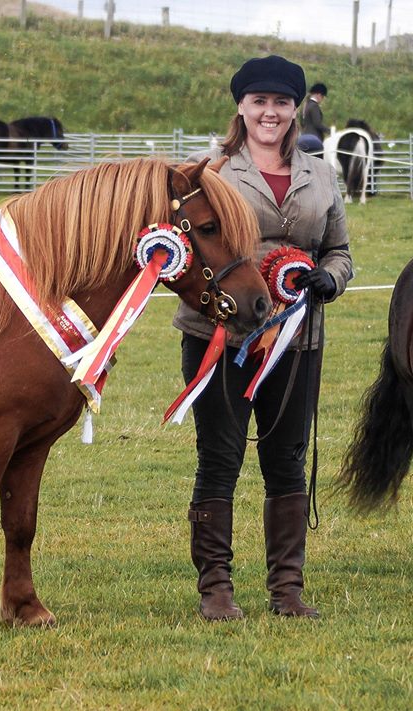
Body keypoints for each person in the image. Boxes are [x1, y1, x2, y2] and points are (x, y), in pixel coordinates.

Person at [174, 55, 353, 621]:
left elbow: (340, 251)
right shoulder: (214, 173)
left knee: (287, 460)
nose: (270, 112)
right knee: (219, 458)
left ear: (295, 108)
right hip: (221, 338)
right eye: (259, 102)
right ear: (241, 108)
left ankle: (287, 589)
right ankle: (217, 589)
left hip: (297, 342)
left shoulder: (321, 174)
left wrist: (331, 278)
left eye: (281, 102)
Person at [297, 82, 329, 154]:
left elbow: (302, 123)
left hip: (303, 137)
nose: (322, 99)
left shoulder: (305, 106)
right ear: (318, 95)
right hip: (314, 139)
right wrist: (330, 131)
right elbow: (317, 123)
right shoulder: (314, 106)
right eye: (322, 96)